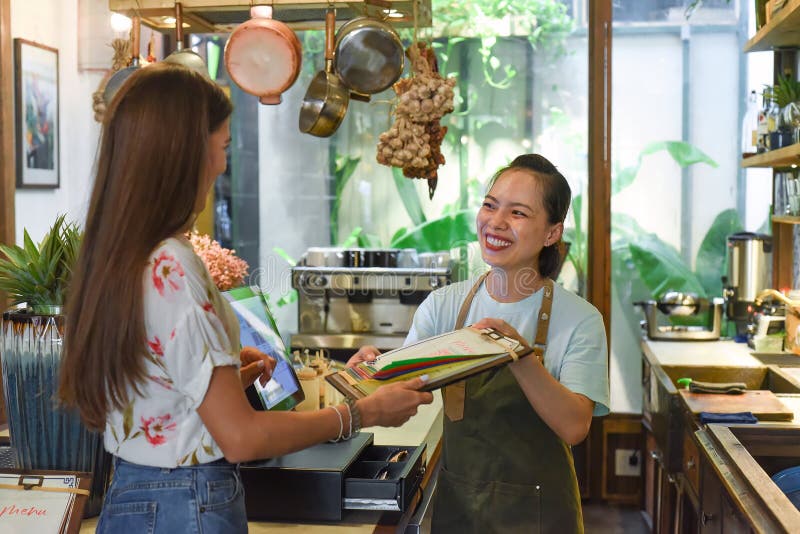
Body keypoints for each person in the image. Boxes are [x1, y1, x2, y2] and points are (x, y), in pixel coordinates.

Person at [57, 63, 433, 534]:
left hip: (137, 495)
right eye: (222, 147)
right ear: (183, 154)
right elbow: (241, 438)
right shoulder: (172, 266)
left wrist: (224, 380)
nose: (221, 165)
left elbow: (159, 391)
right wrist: (360, 413)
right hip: (186, 502)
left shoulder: (124, 255)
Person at [349, 154, 609, 533]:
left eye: (518, 213)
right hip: (461, 510)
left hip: (540, 516)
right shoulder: (445, 305)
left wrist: (519, 356)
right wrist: (370, 372)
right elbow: (401, 391)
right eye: (490, 205)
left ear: (552, 232)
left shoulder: (580, 319)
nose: (496, 222)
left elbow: (574, 427)